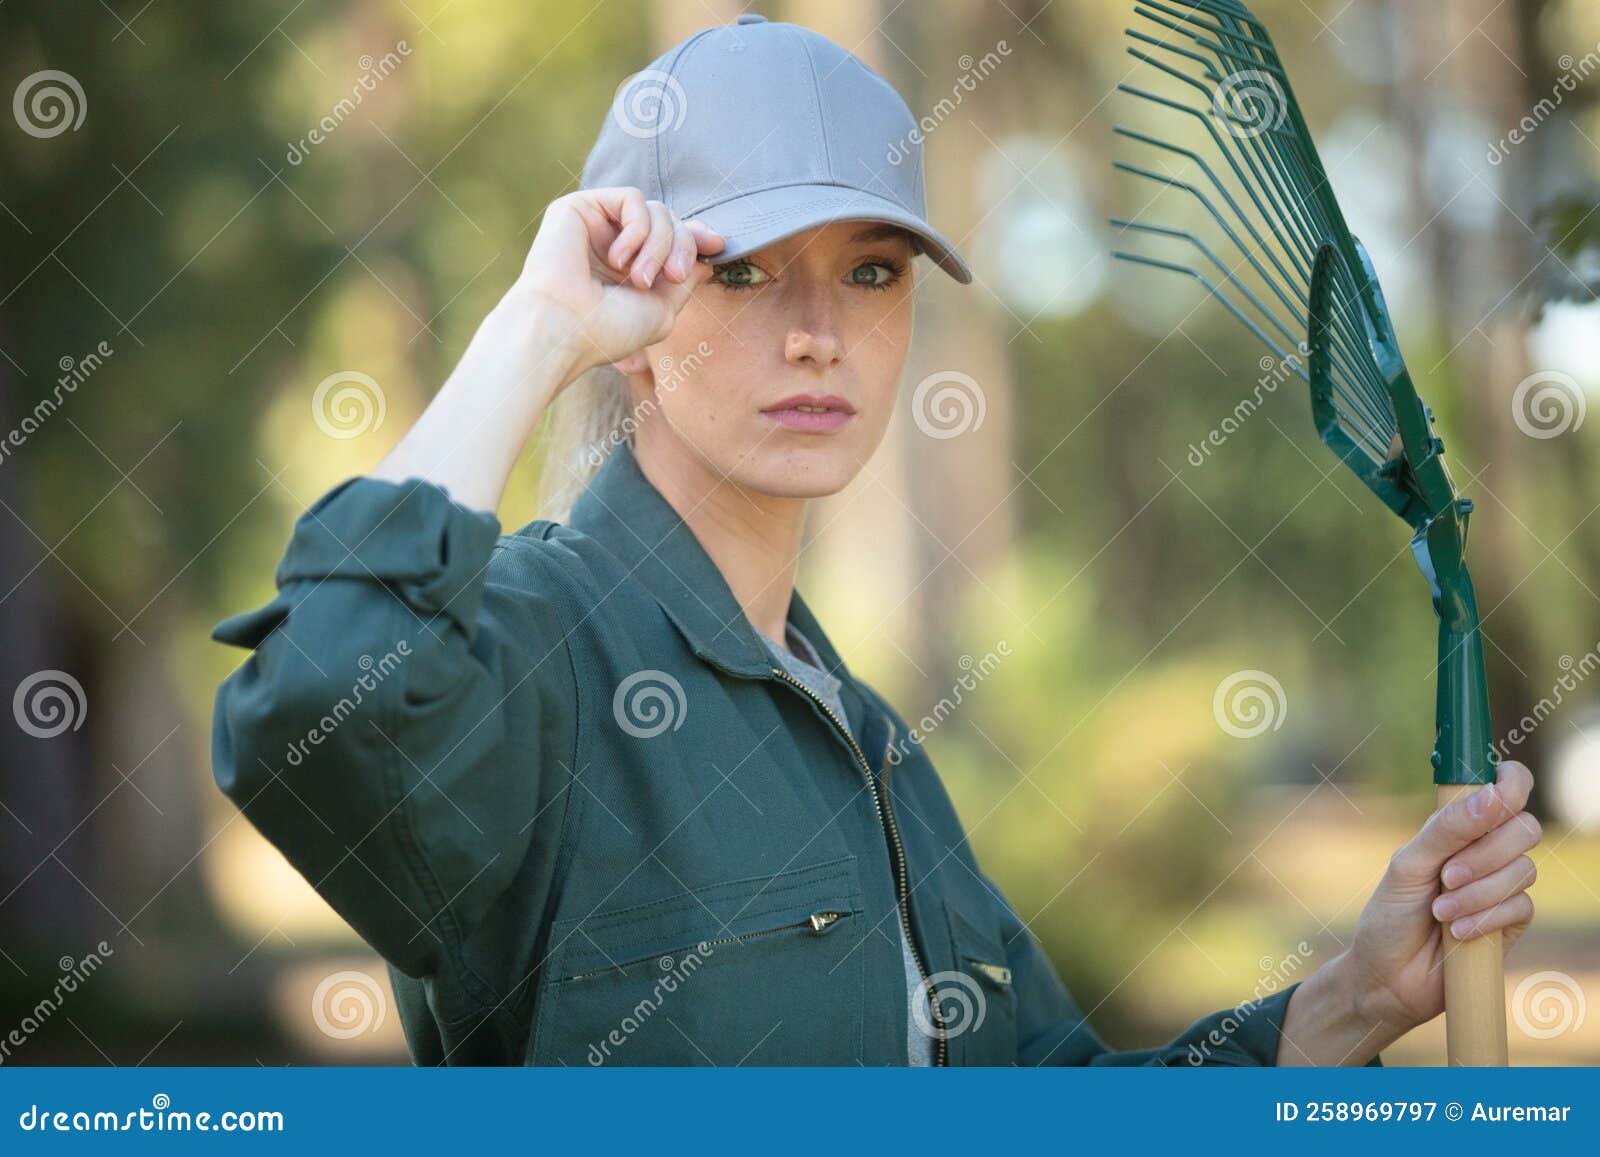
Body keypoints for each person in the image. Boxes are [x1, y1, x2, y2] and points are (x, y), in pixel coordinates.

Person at [209, 14, 1540, 1066]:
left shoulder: (873, 749)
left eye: (871, 269)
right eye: (741, 267)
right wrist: (535, 333)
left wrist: (1352, 998)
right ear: (635, 316)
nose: (819, 331)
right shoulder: (534, 651)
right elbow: (317, 696)